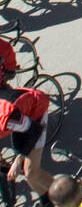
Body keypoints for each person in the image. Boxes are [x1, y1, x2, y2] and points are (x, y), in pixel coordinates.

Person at [0, 47, 54, 199]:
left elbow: (34, 130)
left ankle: (67, 195)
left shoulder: (6, 118)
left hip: (36, 113)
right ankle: (47, 202)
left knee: (30, 173)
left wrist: (18, 160)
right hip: (19, 113)